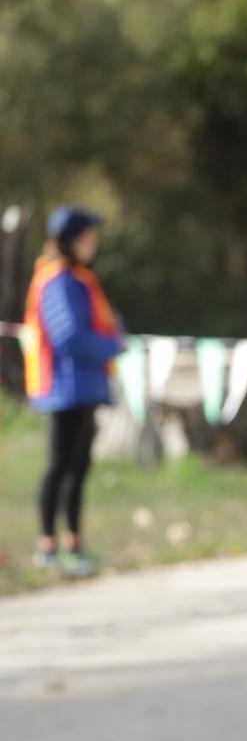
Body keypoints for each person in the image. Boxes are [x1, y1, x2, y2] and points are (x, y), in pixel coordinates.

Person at [22, 205, 125, 577]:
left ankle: (74, 543)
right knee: (58, 465)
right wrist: (111, 344)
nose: (93, 242)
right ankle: (47, 545)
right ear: (71, 240)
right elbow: (67, 336)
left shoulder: (78, 278)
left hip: (85, 386)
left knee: (79, 467)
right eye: (88, 235)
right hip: (64, 387)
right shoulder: (58, 281)